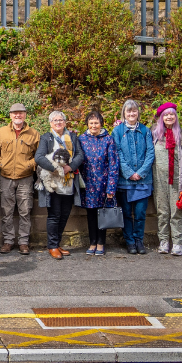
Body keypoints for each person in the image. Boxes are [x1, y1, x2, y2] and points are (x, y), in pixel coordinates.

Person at [35, 111, 84, 260]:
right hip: (54, 183)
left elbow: (80, 155)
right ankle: (52, 245)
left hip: (69, 182)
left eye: (60, 120)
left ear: (65, 122)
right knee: (54, 215)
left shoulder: (73, 137)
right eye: (55, 120)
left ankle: (57, 243)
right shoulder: (46, 138)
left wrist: (71, 167)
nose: (58, 122)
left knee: (64, 215)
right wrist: (54, 169)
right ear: (50, 123)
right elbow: (39, 157)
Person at [0, 103, 39, 255]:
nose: (17, 116)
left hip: (25, 178)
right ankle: (8, 241)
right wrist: (0, 163)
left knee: (25, 211)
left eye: (20, 113)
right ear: (10, 115)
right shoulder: (1, 132)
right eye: (14, 113)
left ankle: (23, 242)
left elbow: (39, 155)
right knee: (6, 211)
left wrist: (29, 165)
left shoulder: (33, 133)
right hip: (6, 177)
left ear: (25, 115)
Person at [151, 102, 182, 256]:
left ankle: (177, 242)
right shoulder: (154, 135)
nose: (169, 117)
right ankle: (163, 241)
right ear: (161, 118)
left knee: (177, 212)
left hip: (178, 181)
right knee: (162, 212)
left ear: (175, 117)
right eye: (166, 114)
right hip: (159, 181)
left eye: (172, 114)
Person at [112, 100, 155, 255]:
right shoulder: (117, 132)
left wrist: (141, 173)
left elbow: (151, 153)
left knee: (140, 213)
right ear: (124, 113)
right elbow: (117, 153)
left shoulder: (145, 131)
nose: (131, 114)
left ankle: (139, 240)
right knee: (125, 214)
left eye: (134, 111)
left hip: (143, 181)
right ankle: (129, 241)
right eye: (128, 111)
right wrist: (129, 173)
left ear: (138, 113)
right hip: (124, 181)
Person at [78, 110, 118, 256]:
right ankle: (92, 242)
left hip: (103, 184)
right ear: (87, 124)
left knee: (103, 215)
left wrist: (111, 187)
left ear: (101, 124)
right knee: (91, 215)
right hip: (88, 185)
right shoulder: (81, 139)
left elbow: (114, 165)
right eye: (91, 123)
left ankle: (101, 243)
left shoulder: (108, 140)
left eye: (96, 123)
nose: (94, 125)